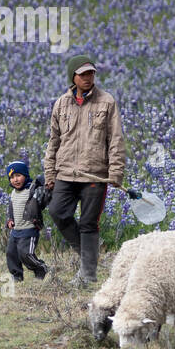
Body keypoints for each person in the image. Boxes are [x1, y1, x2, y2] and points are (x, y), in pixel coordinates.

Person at [44, 54, 126, 286]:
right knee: (57, 212)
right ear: (73, 77)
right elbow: (53, 141)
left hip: (94, 174)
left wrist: (116, 173)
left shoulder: (106, 102)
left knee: (89, 222)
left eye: (91, 73)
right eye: (83, 74)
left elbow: (116, 140)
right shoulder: (61, 103)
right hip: (66, 172)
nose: (88, 78)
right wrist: (50, 173)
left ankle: (88, 275)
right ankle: (88, 256)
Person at [4, 160, 50, 282]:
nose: (15, 180)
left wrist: (42, 183)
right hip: (16, 230)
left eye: (18, 175)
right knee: (11, 254)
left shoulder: (32, 190)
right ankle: (17, 275)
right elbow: (11, 208)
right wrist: (10, 219)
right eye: (12, 177)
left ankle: (41, 268)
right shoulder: (13, 192)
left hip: (29, 229)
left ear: (26, 175)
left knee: (26, 254)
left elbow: (43, 195)